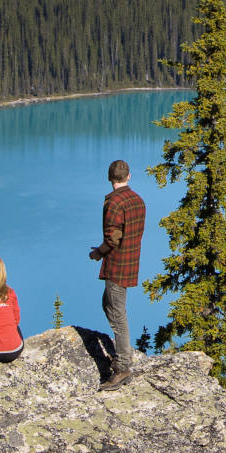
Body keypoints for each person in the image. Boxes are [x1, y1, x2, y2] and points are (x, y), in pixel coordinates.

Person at [87, 158, 146, 391]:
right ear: (128, 176)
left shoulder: (114, 203)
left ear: (110, 178)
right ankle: (122, 356)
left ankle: (122, 367)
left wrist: (98, 253)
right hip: (131, 262)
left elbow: (113, 238)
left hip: (117, 265)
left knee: (118, 314)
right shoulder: (137, 200)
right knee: (109, 305)